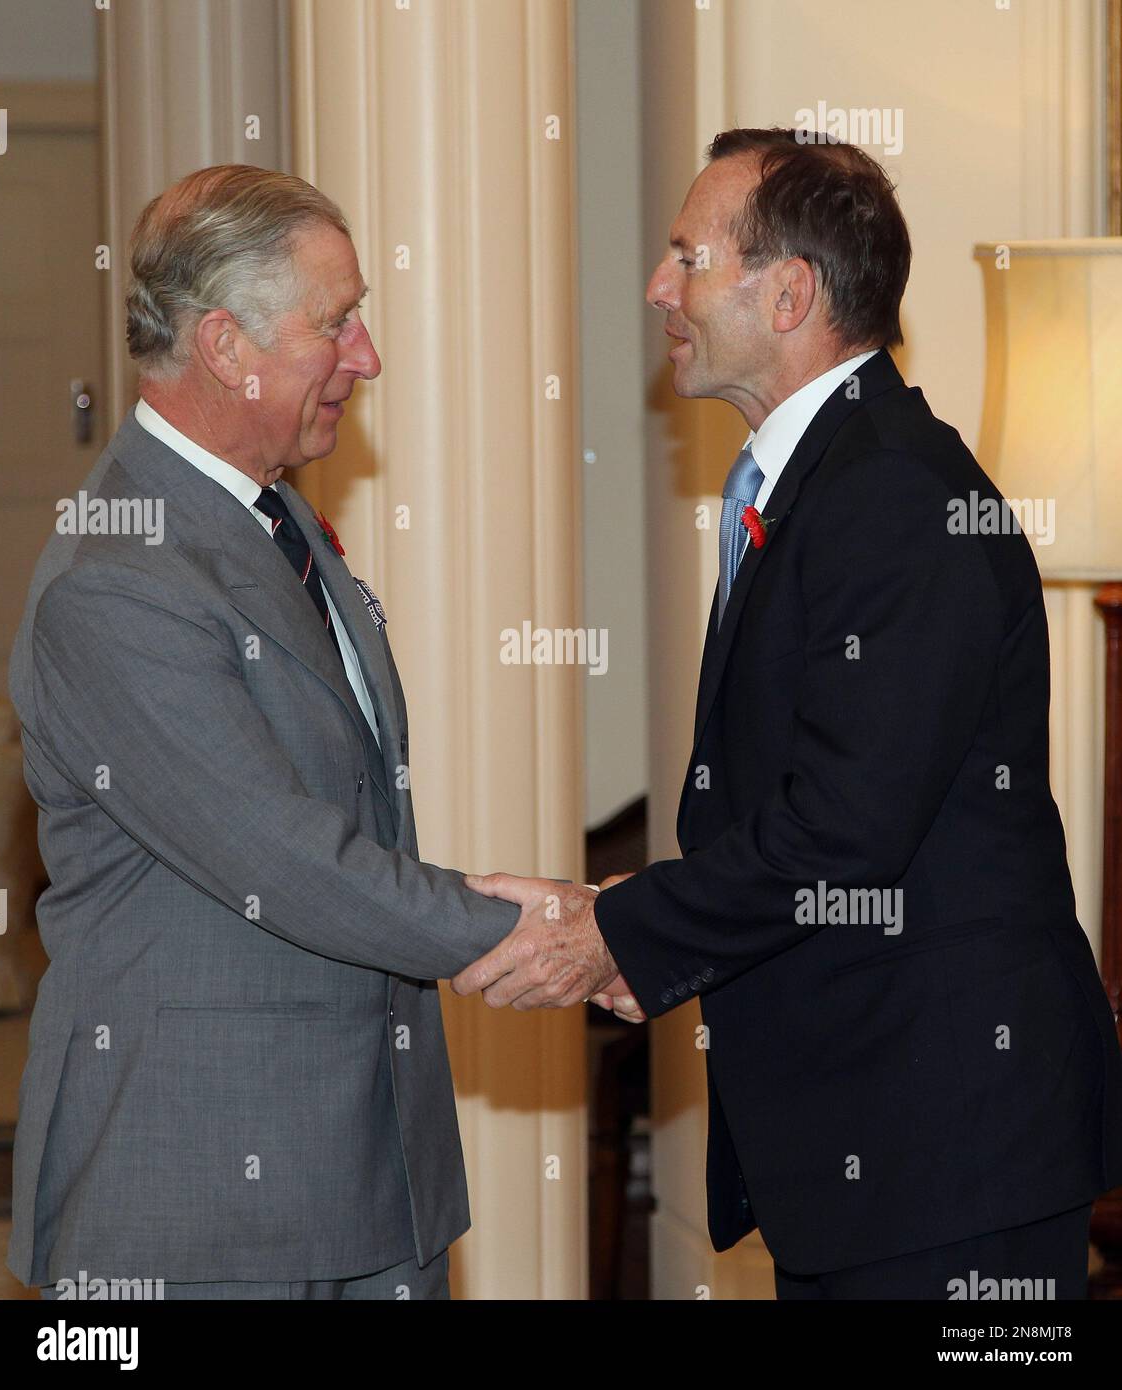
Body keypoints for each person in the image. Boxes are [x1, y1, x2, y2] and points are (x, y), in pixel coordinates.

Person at [455, 128, 1122, 1300]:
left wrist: (616, 930)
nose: (660, 289)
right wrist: (621, 912)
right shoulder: (817, 479)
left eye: (687, 258)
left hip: (946, 1152)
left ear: (790, 292)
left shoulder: (898, 496)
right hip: (881, 1142)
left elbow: (844, 827)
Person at [8, 164, 519, 1301]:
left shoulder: (274, 512)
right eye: (334, 324)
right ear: (227, 346)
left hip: (369, 1175)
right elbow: (285, 856)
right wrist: (522, 926)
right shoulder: (117, 581)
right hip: (201, 1201)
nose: (367, 355)